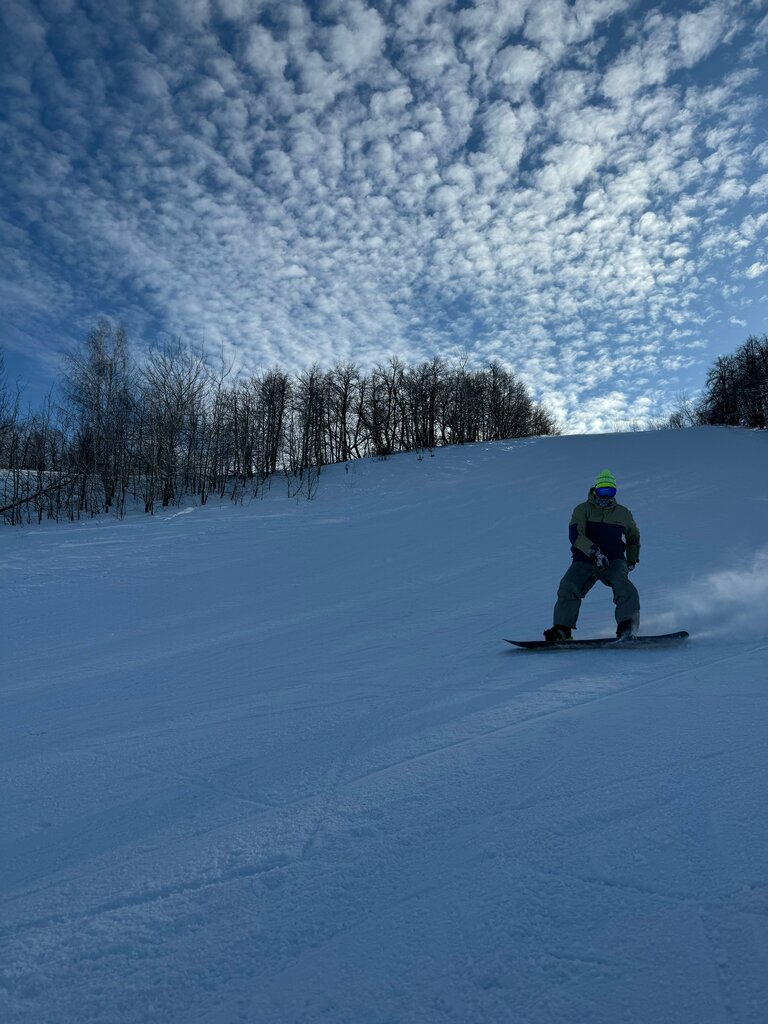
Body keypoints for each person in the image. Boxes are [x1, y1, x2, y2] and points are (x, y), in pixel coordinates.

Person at [544, 469, 640, 641]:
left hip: (613, 560)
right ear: (595, 490)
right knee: (568, 585)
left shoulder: (623, 513)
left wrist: (632, 559)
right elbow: (575, 535)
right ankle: (562, 630)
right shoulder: (582, 510)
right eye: (602, 491)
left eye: (610, 492)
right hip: (585, 560)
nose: (605, 496)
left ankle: (627, 627)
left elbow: (633, 536)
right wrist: (594, 552)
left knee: (624, 586)